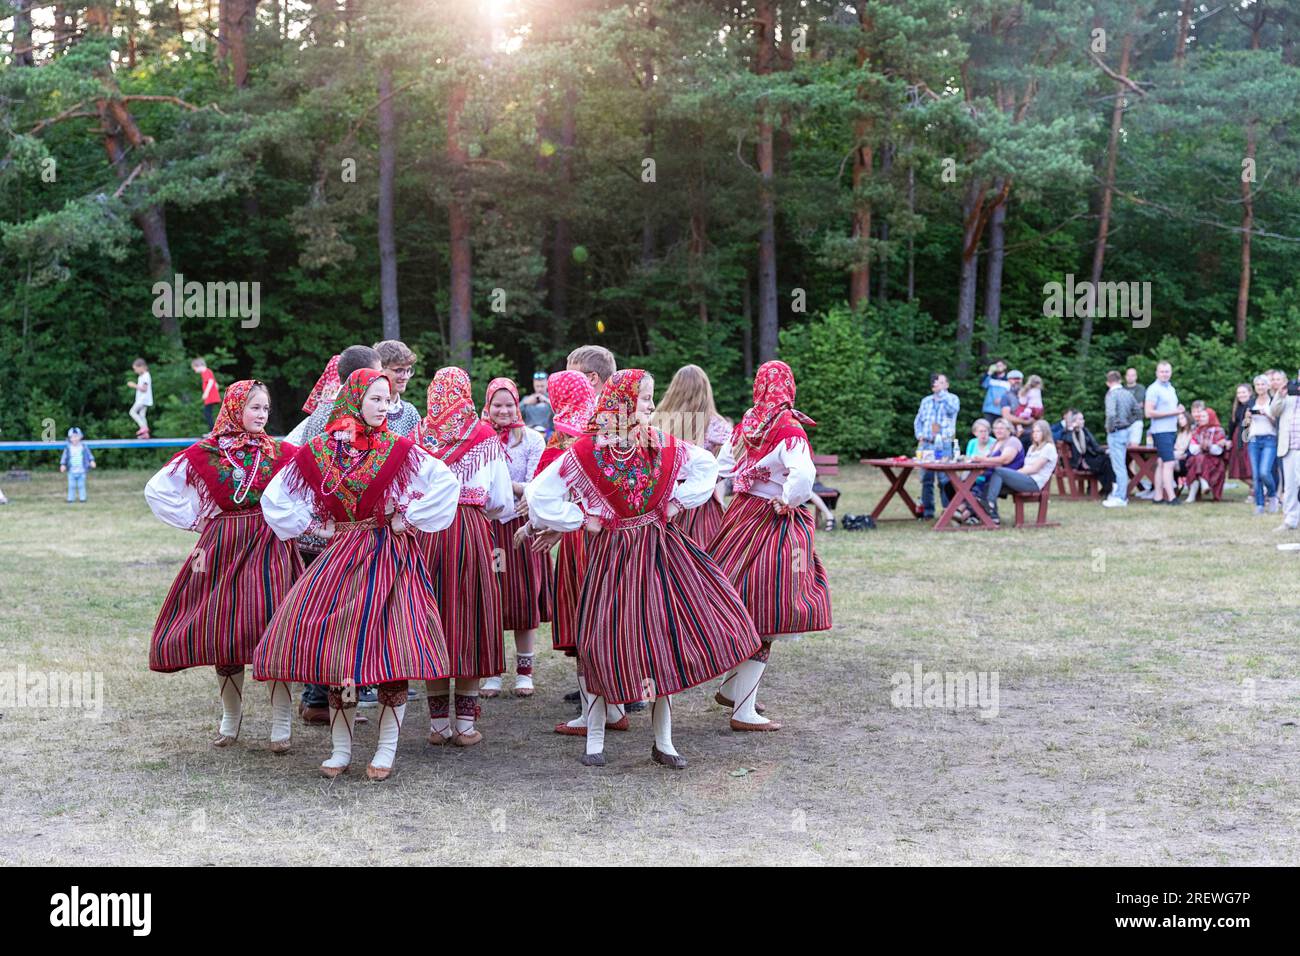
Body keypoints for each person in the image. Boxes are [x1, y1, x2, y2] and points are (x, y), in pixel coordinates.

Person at [523, 369, 761, 769]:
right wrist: (580, 517)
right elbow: (541, 493)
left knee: (658, 640)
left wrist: (678, 501)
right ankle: (595, 737)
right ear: (623, 404)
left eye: (650, 399)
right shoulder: (587, 452)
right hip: (612, 560)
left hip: (657, 554)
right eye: (645, 399)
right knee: (603, 640)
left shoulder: (661, 447)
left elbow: (707, 467)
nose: (651, 406)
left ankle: (663, 741)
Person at [253, 369, 461, 780]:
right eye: (376, 399)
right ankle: (342, 749)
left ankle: (385, 750)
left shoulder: (399, 449)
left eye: (387, 400)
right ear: (353, 400)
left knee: (393, 652)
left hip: (390, 557)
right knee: (338, 654)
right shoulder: (319, 450)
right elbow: (275, 497)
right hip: (341, 557)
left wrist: (409, 517)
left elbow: (446, 482)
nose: (384, 407)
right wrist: (313, 526)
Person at [145, 381, 304, 752]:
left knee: (273, 626)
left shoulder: (281, 452)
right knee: (225, 629)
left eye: (266, 409)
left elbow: (313, 481)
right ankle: (231, 716)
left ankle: (281, 720)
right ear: (235, 408)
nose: (262, 415)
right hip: (223, 547)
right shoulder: (206, 453)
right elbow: (157, 489)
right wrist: (200, 519)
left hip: (271, 545)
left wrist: (294, 518)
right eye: (254, 408)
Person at [710, 360, 832, 731]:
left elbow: (724, 465)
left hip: (740, 515)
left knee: (744, 599)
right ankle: (743, 710)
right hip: (772, 519)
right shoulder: (788, 427)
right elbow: (804, 475)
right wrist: (791, 499)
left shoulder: (748, 421)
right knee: (769, 608)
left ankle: (734, 689)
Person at [515, 370, 627, 737]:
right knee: (610, 618)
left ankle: (593, 713)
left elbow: (557, 492)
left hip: (582, 537)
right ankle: (616, 705)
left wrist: (542, 525)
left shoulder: (567, 437)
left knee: (586, 620)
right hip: (614, 535)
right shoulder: (605, 429)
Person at [281, 346, 383, 722]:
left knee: (324, 613)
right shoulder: (343, 419)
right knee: (341, 615)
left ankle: (318, 697)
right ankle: (324, 695)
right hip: (339, 533)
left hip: (317, 531)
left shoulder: (321, 413)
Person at [416, 367, 514, 745]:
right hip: (469, 533)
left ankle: (438, 725)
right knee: (470, 618)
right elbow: (502, 502)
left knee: (433, 619)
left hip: (425, 535)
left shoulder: (417, 436)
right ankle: (465, 726)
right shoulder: (484, 436)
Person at [479, 376, 552, 699]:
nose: (504, 410)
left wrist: (516, 488)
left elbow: (537, 483)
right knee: (492, 594)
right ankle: (492, 672)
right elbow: (479, 484)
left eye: (509, 405)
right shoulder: (479, 438)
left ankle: (525, 671)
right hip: (490, 525)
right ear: (488, 405)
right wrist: (516, 487)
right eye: (498, 405)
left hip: (522, 526)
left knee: (523, 595)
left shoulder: (533, 439)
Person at [651, 364, 732, 546]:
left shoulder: (657, 419)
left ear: (675, 388)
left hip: (663, 493)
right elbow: (735, 455)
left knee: (663, 553)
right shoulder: (714, 423)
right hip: (699, 501)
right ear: (705, 390)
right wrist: (714, 477)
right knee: (699, 555)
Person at [978, 419, 1057, 524]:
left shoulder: (1049, 448)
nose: (1035, 434)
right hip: (1025, 479)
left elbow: (1035, 468)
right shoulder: (1032, 448)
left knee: (999, 471)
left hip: (1034, 483)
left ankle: (990, 503)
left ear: (1045, 432)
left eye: (1038, 431)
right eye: (1033, 431)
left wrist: (1017, 473)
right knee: (989, 483)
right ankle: (993, 518)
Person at [913, 372, 960, 519]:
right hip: (926, 444)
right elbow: (918, 420)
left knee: (944, 479)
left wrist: (942, 394)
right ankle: (927, 512)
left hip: (944, 444)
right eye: (934, 381)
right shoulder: (926, 401)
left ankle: (947, 511)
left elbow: (952, 410)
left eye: (939, 382)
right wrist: (919, 434)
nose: (935, 384)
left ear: (946, 385)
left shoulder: (952, 399)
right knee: (926, 479)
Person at [1145, 361, 1184, 505]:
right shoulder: (1153, 389)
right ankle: (1172, 497)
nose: (1164, 374)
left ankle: (1158, 497)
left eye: (1167, 371)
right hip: (1161, 431)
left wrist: (1177, 411)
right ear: (1156, 373)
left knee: (1161, 463)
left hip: (1171, 430)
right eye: (1162, 371)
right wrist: (1174, 412)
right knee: (1169, 463)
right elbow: (1148, 413)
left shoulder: (1171, 388)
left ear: (1171, 372)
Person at [1103, 370, 1140, 507]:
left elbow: (1111, 414)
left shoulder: (1111, 394)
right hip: (1125, 431)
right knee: (1121, 465)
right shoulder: (1128, 393)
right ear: (1120, 380)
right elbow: (1137, 412)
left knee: (1118, 466)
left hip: (1116, 432)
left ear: (1108, 382)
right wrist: (1127, 423)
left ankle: (1120, 497)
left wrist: (1110, 427)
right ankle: (1120, 494)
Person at [1245, 373, 1279, 515]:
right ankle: (1259, 504)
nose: (1260, 387)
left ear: (1268, 386)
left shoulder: (1273, 401)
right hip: (1253, 440)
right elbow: (1245, 425)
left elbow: (1277, 423)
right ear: (1255, 387)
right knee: (1256, 475)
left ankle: (1272, 495)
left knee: (1265, 472)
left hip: (1269, 439)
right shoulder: (1250, 402)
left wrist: (1266, 414)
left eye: (1263, 384)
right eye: (1257, 384)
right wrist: (1247, 418)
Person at [373, 339, 422, 435]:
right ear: (380, 369)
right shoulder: (369, 410)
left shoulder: (410, 412)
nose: (405, 377)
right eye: (399, 370)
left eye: (408, 370)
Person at [1062, 410, 1114, 498]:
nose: (1083, 421)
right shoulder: (1068, 433)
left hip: (1091, 458)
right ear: (1074, 421)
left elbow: (1095, 446)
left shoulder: (1085, 431)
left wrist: (1106, 451)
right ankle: (1108, 490)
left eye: (1083, 419)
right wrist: (1072, 430)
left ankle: (1108, 489)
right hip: (1080, 462)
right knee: (1105, 462)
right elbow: (1068, 440)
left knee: (1107, 459)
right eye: (1080, 419)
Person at [1182, 401, 1227, 502]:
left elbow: (1219, 451)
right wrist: (1201, 446)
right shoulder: (1196, 430)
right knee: (1197, 459)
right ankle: (1203, 483)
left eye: (1203, 417)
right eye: (1200, 417)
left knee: (1198, 460)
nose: (1200, 419)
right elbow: (1192, 449)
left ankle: (1192, 495)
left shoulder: (1218, 430)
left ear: (1210, 417)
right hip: (1198, 458)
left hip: (1214, 460)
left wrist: (1209, 446)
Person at [1270, 379, 1300, 530]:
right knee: (1290, 486)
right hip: (1289, 447)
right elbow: (1273, 412)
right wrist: (1280, 395)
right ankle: (1290, 520)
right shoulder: (1288, 395)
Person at [60, 427, 96, 503]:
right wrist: (63, 464)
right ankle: (70, 499)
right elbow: (64, 457)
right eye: (72, 437)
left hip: (82, 470)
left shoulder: (83, 446)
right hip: (71, 471)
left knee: (81, 485)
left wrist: (92, 461)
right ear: (69, 438)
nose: (74, 439)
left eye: (76, 436)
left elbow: (89, 455)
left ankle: (83, 499)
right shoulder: (68, 447)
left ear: (80, 437)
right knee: (71, 486)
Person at [1227, 383, 1254, 484]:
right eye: (1239, 393)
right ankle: (1254, 489)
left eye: (1243, 392)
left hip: (1249, 436)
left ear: (1250, 393)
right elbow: (1232, 424)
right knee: (1238, 468)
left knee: (1249, 466)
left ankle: (1257, 490)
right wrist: (1229, 439)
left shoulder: (1253, 404)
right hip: (1237, 437)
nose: (1241, 395)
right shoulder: (1237, 407)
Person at [192, 357, 222, 429]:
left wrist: (206, 393)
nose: (194, 370)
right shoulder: (208, 371)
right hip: (212, 396)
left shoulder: (205, 372)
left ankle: (212, 431)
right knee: (209, 413)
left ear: (199, 366)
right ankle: (214, 430)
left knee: (207, 413)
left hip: (210, 397)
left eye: (194, 368)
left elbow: (211, 382)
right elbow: (216, 384)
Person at [128, 358, 153, 439]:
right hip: (143, 399)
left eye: (136, 369)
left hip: (143, 399)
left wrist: (133, 385)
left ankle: (143, 427)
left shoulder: (146, 375)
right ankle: (145, 434)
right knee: (142, 415)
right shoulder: (142, 376)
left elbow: (144, 389)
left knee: (132, 412)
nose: (135, 371)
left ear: (141, 367)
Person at [1124, 368, 1147, 447]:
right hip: (1124, 422)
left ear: (1136, 377)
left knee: (1134, 447)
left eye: (1132, 375)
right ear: (1125, 376)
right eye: (1128, 375)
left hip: (1136, 421)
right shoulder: (1121, 389)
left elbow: (1139, 403)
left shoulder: (1140, 388)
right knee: (1123, 447)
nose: (1130, 377)